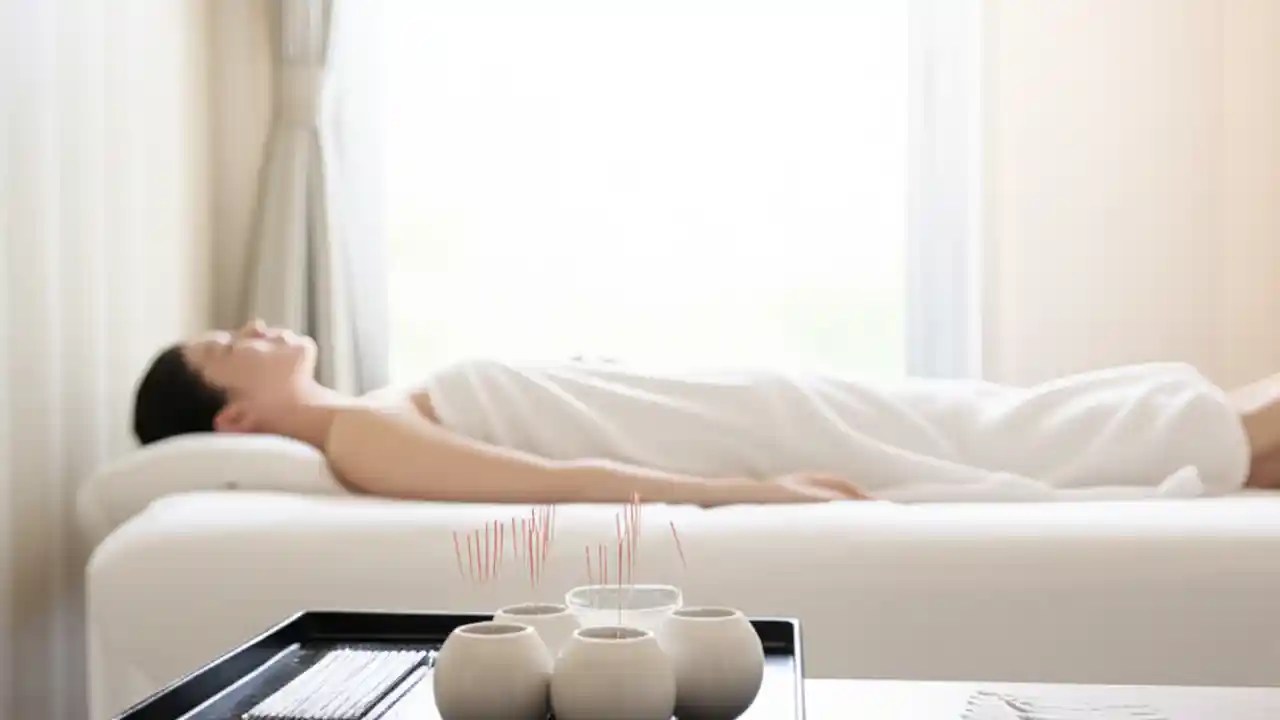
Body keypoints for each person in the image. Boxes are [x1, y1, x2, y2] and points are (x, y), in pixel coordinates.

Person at [132, 320, 1280, 506]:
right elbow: (560, 489)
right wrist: (745, 496)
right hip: (761, 437)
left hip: (764, 404)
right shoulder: (360, 435)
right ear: (231, 420)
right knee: (1029, 435)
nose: (265, 330)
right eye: (237, 345)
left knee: (1021, 418)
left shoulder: (371, 412)